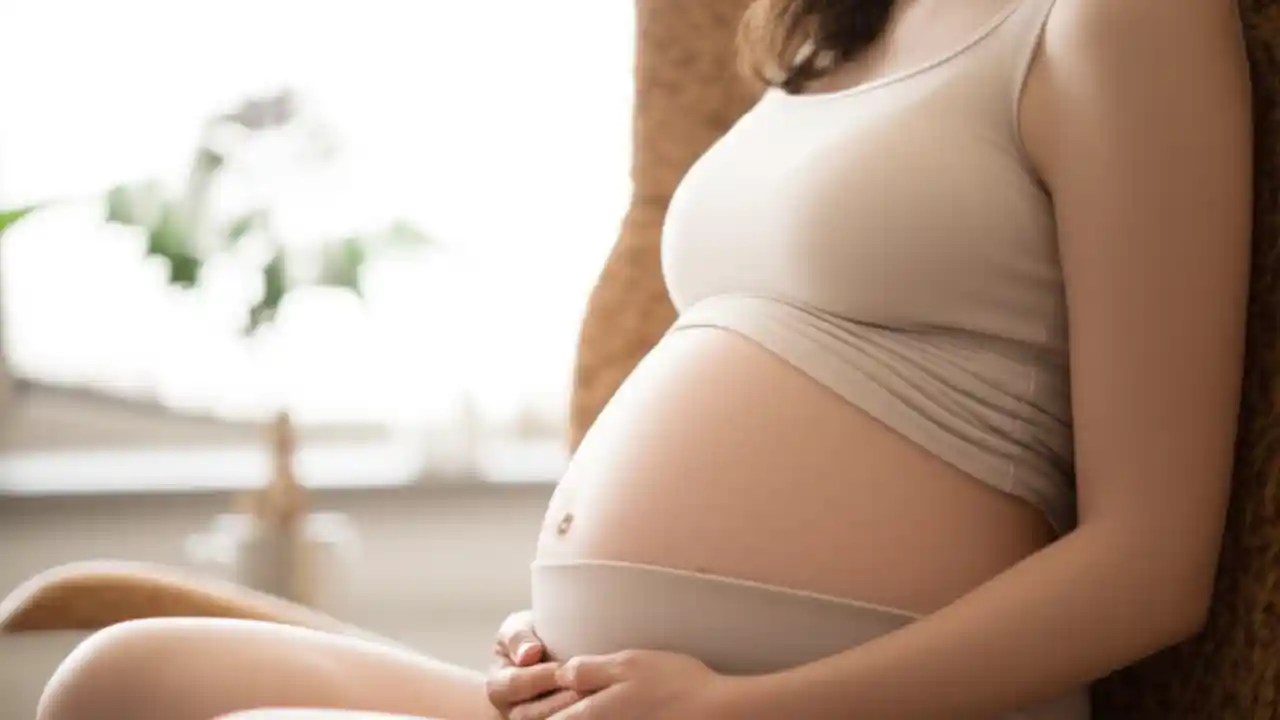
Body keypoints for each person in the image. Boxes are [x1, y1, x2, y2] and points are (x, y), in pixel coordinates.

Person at [36, 0, 1253, 718]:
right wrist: (587, 614)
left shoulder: (1119, 19)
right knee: (119, 682)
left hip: (821, 707)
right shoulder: (833, 33)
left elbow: (1148, 568)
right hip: (637, 695)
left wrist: (739, 710)